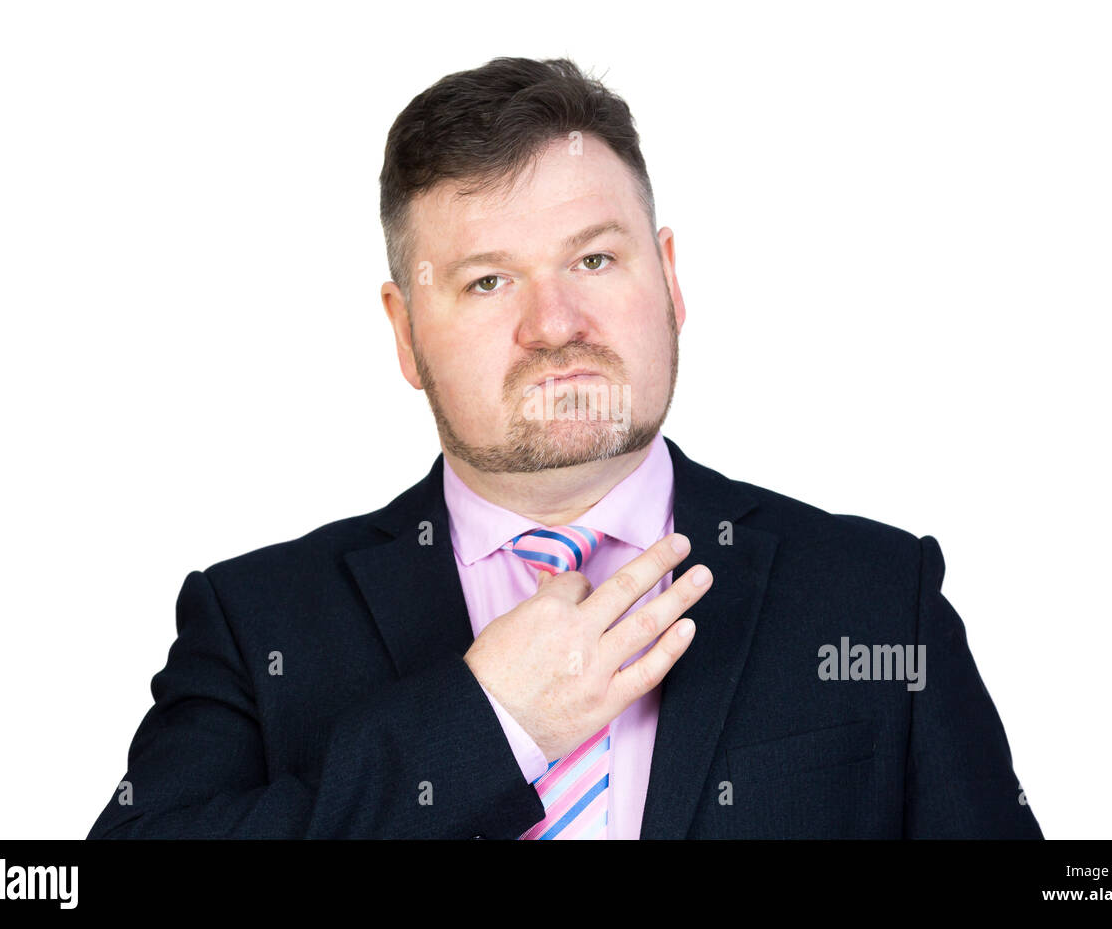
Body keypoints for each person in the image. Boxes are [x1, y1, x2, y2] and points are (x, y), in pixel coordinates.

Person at [88, 56, 1042, 839]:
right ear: (404, 331)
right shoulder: (258, 621)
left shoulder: (876, 594)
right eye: (489, 281)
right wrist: (488, 728)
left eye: (594, 259)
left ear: (668, 279)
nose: (555, 325)